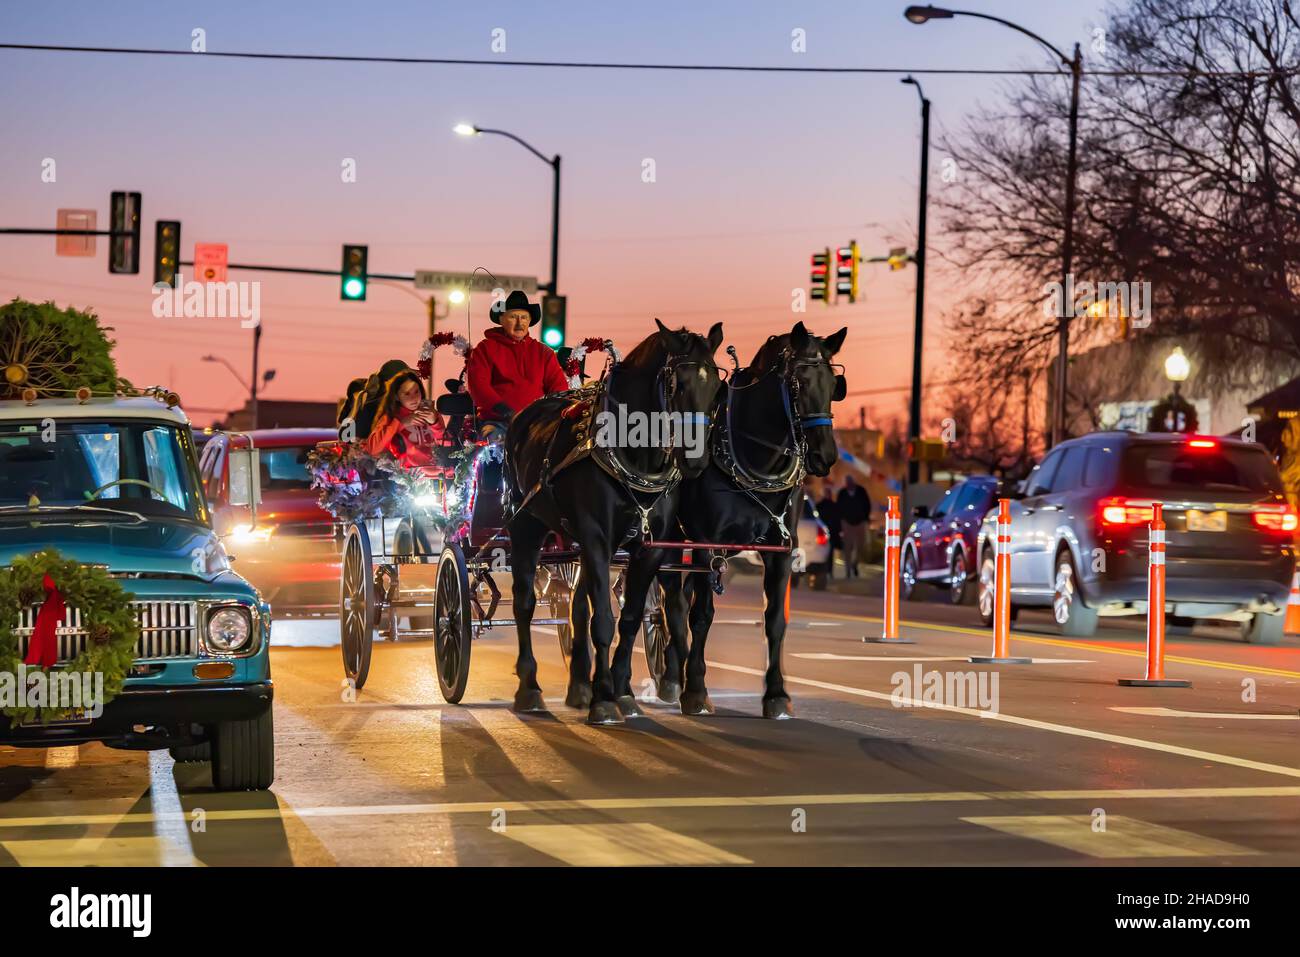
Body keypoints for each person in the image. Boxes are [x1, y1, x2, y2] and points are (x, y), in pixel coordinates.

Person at [466, 290, 570, 437]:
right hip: (497, 422)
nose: (519, 323)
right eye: (513, 317)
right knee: (493, 446)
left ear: (529, 321)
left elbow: (559, 389)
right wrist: (506, 412)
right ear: (501, 319)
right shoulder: (485, 348)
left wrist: (549, 414)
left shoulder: (543, 352)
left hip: (537, 424)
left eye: (524, 317)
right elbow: (479, 387)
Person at [362, 362, 446, 468]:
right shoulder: (390, 417)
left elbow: (447, 445)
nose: (414, 398)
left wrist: (435, 423)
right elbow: (373, 449)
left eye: (416, 392)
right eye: (407, 393)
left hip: (435, 477)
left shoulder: (431, 414)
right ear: (396, 396)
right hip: (405, 479)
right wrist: (400, 424)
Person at [837, 474, 871, 578]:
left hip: (860, 522)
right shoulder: (842, 493)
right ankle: (848, 571)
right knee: (847, 548)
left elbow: (867, 505)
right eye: (847, 482)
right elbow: (838, 508)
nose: (849, 484)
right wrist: (841, 522)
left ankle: (854, 563)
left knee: (861, 546)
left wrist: (865, 518)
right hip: (847, 523)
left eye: (850, 482)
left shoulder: (861, 491)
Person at [816, 482, 842, 578]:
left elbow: (838, 519)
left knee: (828, 553)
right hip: (825, 532)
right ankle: (827, 571)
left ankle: (828, 571)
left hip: (829, 532)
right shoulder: (822, 506)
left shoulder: (821, 506)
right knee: (827, 553)